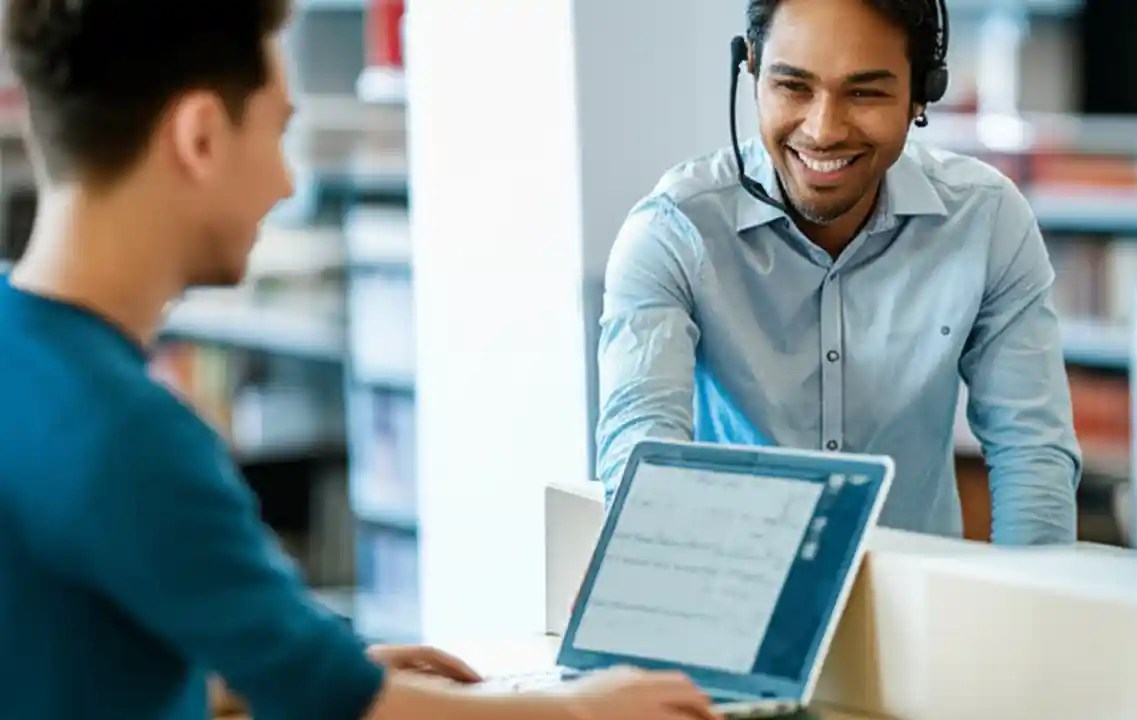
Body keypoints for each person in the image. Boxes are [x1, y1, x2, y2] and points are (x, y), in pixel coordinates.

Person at [0, 2, 717, 719]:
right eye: (279, 132)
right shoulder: (129, 435)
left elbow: (81, 656)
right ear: (201, 138)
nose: (286, 183)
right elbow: (346, 708)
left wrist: (297, 664)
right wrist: (587, 711)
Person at [596, 0, 1083, 545]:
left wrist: (1034, 615)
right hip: (731, 602)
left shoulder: (986, 221)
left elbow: (1032, 457)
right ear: (752, 71)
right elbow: (641, 448)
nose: (823, 130)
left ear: (921, 93)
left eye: (865, 92)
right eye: (793, 87)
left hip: (917, 606)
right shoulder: (674, 229)